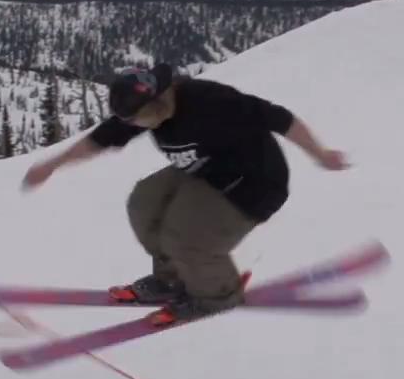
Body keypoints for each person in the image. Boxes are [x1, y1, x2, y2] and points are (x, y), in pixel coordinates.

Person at [21, 64, 349, 324]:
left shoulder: (211, 101)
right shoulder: (144, 110)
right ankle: (172, 280)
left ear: (157, 101)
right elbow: (100, 139)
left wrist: (320, 154)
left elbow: (280, 118)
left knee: (185, 234)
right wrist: (52, 165)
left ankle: (218, 293)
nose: (134, 126)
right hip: (207, 171)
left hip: (255, 183)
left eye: (137, 119)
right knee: (145, 204)